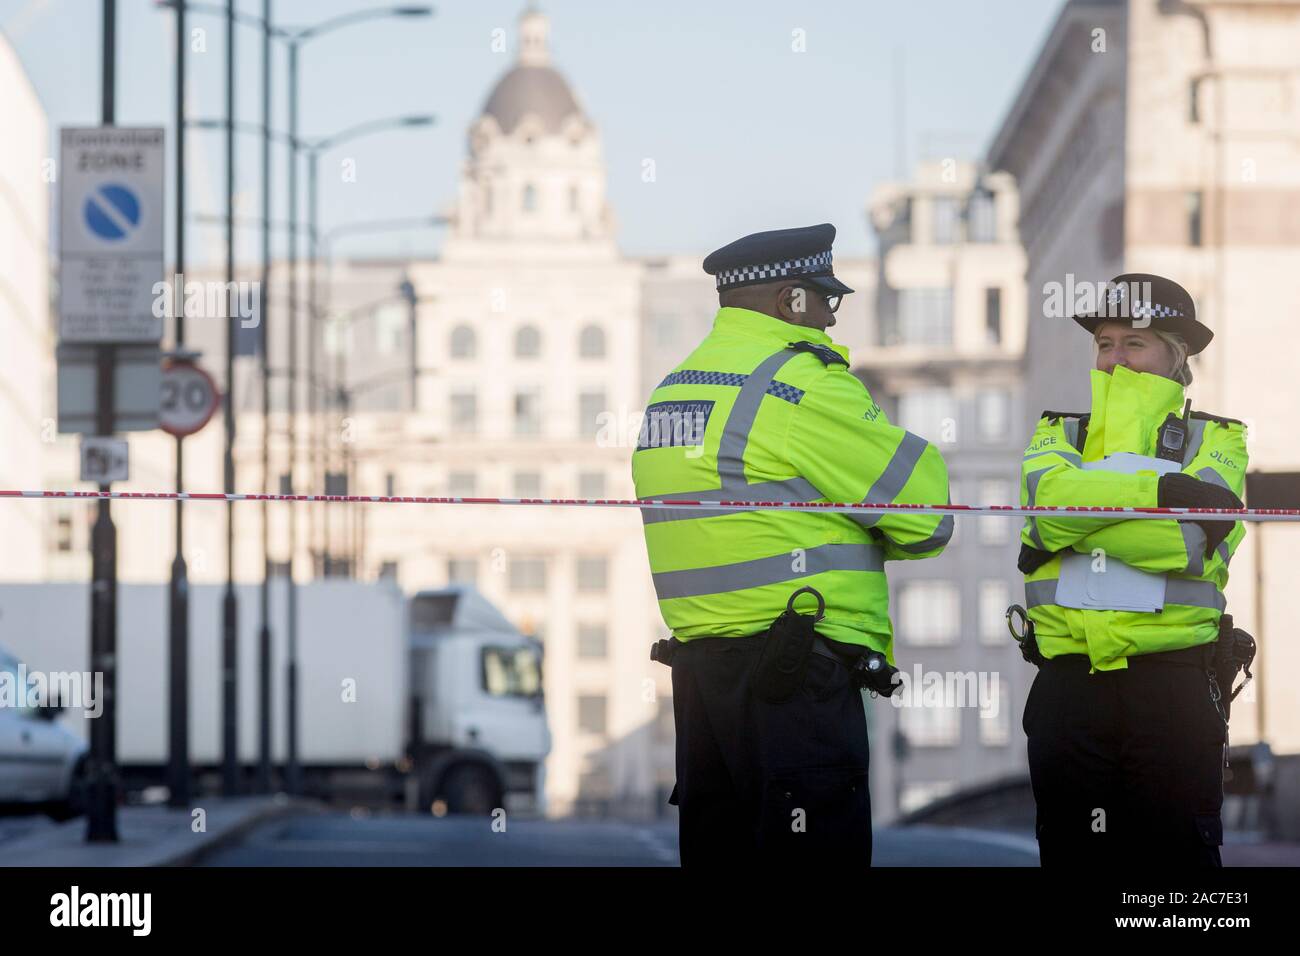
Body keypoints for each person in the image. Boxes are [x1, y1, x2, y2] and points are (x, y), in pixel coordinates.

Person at [631, 223, 952, 867]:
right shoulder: (801, 384)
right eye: (826, 299)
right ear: (789, 301)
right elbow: (929, 516)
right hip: (795, 679)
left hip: (701, 686)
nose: (833, 318)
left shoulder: (673, 392)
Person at [1017, 273, 1248, 868]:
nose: (1115, 359)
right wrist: (1161, 489)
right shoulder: (1057, 431)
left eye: (1134, 343)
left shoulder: (1219, 440)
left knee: (1177, 874)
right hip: (1069, 688)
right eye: (1104, 344)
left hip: (1171, 686)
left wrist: (1088, 512)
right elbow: (1045, 516)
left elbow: (1188, 542)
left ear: (1178, 355)